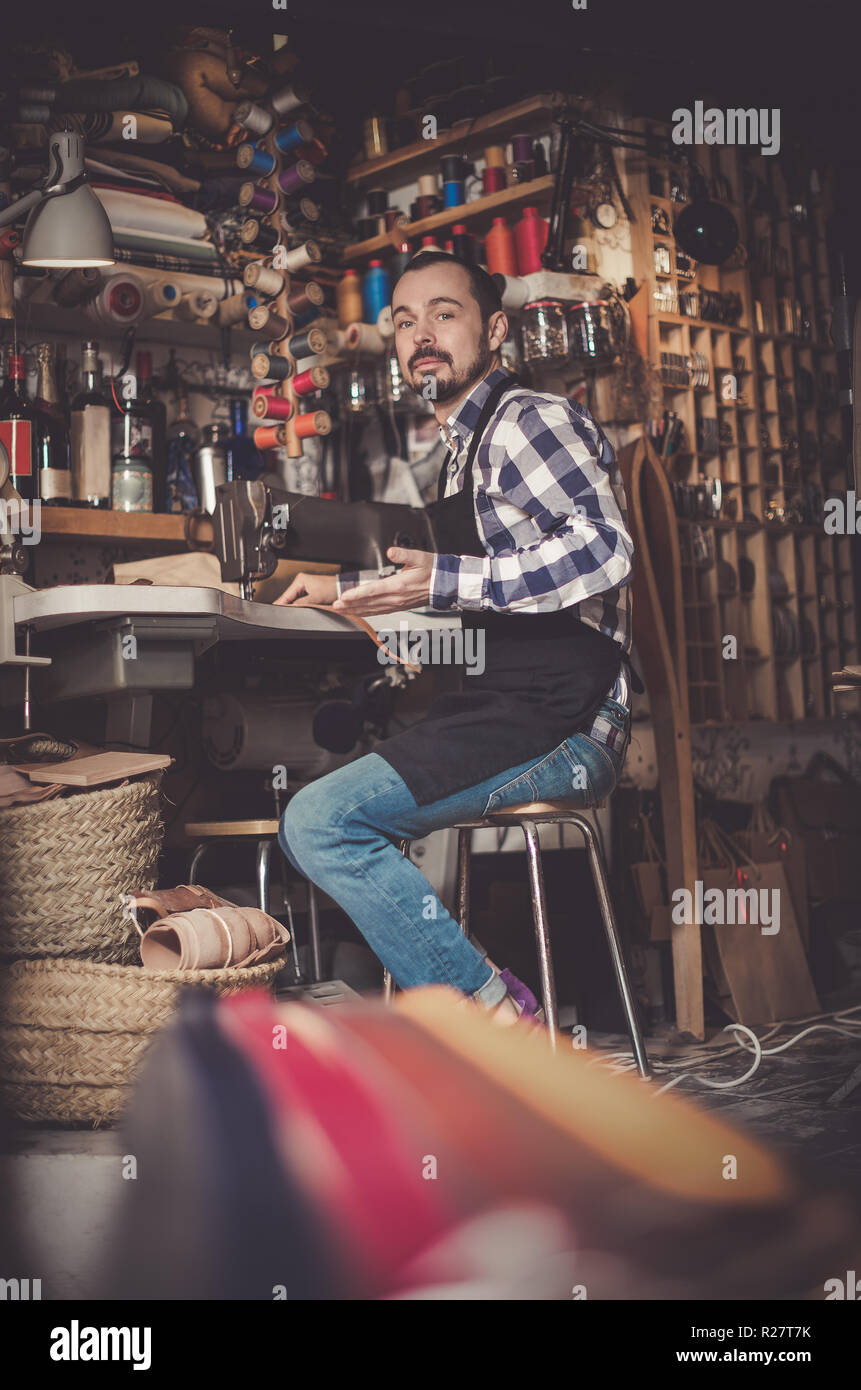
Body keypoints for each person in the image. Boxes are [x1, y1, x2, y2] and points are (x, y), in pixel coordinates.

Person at [274, 251, 634, 1025]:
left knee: (320, 821)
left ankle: (496, 1021)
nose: (421, 335)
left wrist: (441, 583)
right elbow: (482, 620)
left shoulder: (527, 423)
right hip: (510, 705)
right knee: (322, 816)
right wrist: (349, 597)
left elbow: (604, 551)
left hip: (564, 723)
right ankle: (478, 1015)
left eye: (444, 313)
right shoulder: (461, 454)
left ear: (494, 329)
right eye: (405, 321)